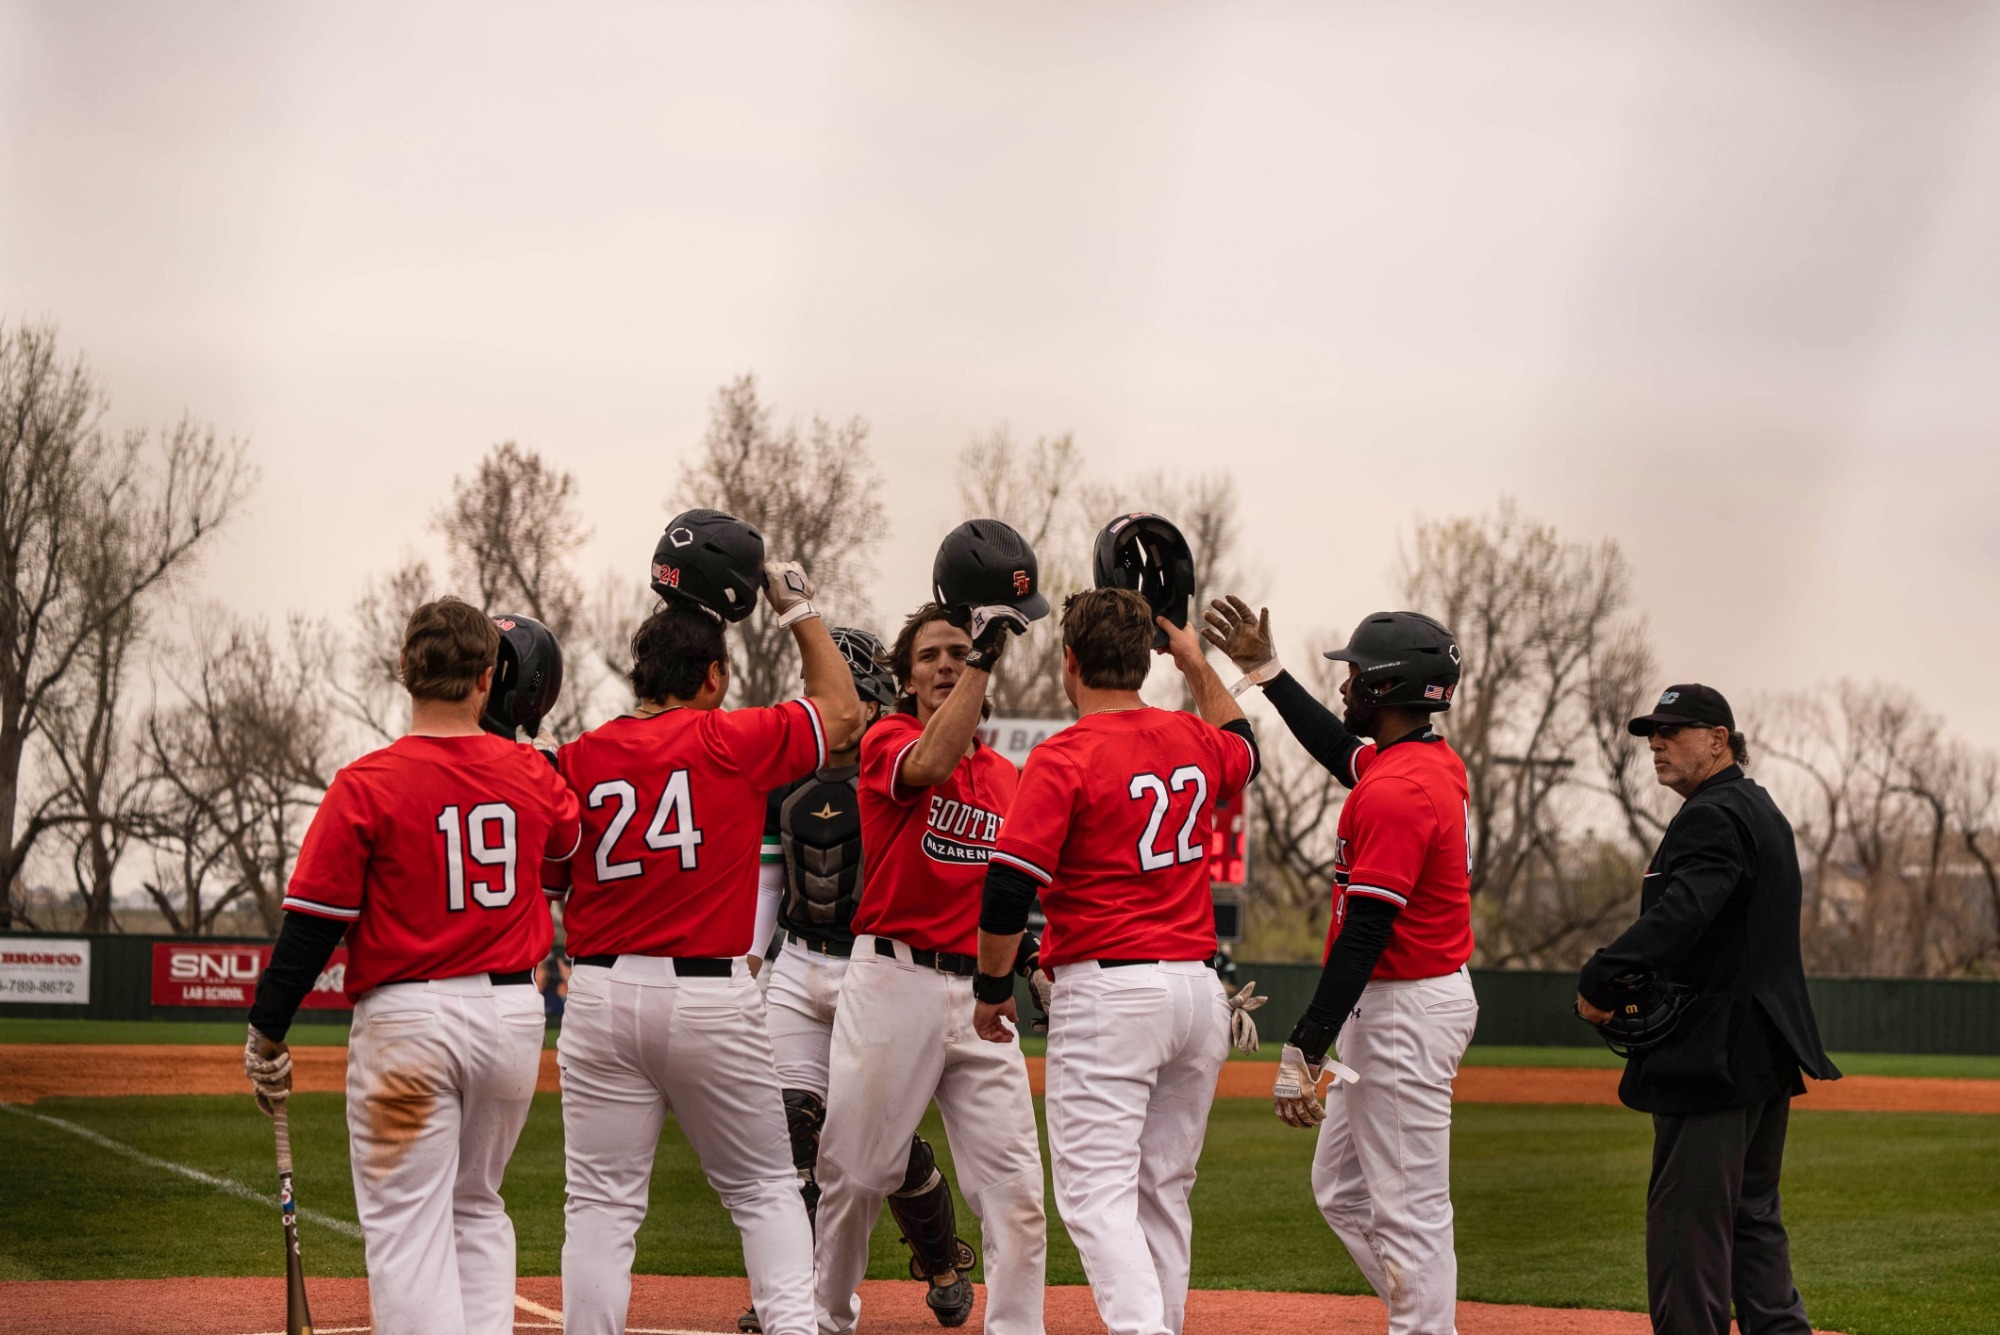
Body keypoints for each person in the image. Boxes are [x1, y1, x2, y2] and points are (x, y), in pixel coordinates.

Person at [552, 511, 862, 1335]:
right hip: (707, 996)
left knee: (600, 1207)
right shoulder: (732, 739)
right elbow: (842, 712)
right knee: (763, 1187)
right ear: (714, 678)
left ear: (639, 675)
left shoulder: (580, 756)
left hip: (600, 990)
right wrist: (798, 609)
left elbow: (552, 866)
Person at [242, 599, 582, 1335]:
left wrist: (267, 1031)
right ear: (487, 679)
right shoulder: (531, 772)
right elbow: (566, 844)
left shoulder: (366, 782)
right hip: (512, 1020)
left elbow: (311, 928)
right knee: (478, 1204)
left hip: (409, 1025)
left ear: (405, 668)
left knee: (406, 1226)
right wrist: (537, 757)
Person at [972, 588, 1264, 1335]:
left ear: (1070, 662)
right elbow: (1246, 746)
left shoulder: (1064, 752)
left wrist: (990, 985)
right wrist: (1195, 658)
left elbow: (1010, 883)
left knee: (1096, 1194)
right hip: (1199, 992)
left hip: (1113, 990)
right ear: (1147, 660)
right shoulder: (1192, 738)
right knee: (1161, 1191)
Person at [1204, 597, 1477, 1335]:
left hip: (1402, 1009)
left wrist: (1305, 1044)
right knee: (1344, 1191)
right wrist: (1267, 673)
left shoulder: (1396, 790)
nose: (1345, 687)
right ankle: (1424, 1317)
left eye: (1355, 675)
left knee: (1410, 1204)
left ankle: (1425, 1326)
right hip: (1400, 999)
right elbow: (1339, 750)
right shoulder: (1420, 762)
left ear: (1386, 688)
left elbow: (1365, 935)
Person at [813, 519, 1052, 1335]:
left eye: (960, 650)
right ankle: (825, 1317)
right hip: (894, 982)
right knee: (856, 1172)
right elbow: (928, 767)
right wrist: (988, 652)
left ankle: (1018, 1326)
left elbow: (1017, 895)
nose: (948, 663)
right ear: (907, 678)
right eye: (932, 655)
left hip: (981, 998)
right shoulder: (887, 738)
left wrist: (1037, 958)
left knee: (1016, 1190)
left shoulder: (1010, 777)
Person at [1576, 684, 1839, 1335]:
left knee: (1687, 1232)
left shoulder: (1711, 815)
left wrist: (1603, 976)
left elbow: (1683, 914)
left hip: (1712, 1057)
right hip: (1762, 1050)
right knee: (1753, 1221)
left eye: (1674, 730)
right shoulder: (1760, 809)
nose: (1657, 743)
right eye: (1651, 733)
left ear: (1718, 738)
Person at [736, 626, 976, 1334]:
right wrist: (749, 968)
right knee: (790, 1133)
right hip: (801, 960)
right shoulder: (786, 776)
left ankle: (940, 1258)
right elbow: (768, 882)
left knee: (870, 1145)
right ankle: (790, 1296)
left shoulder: (892, 765)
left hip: (871, 968)